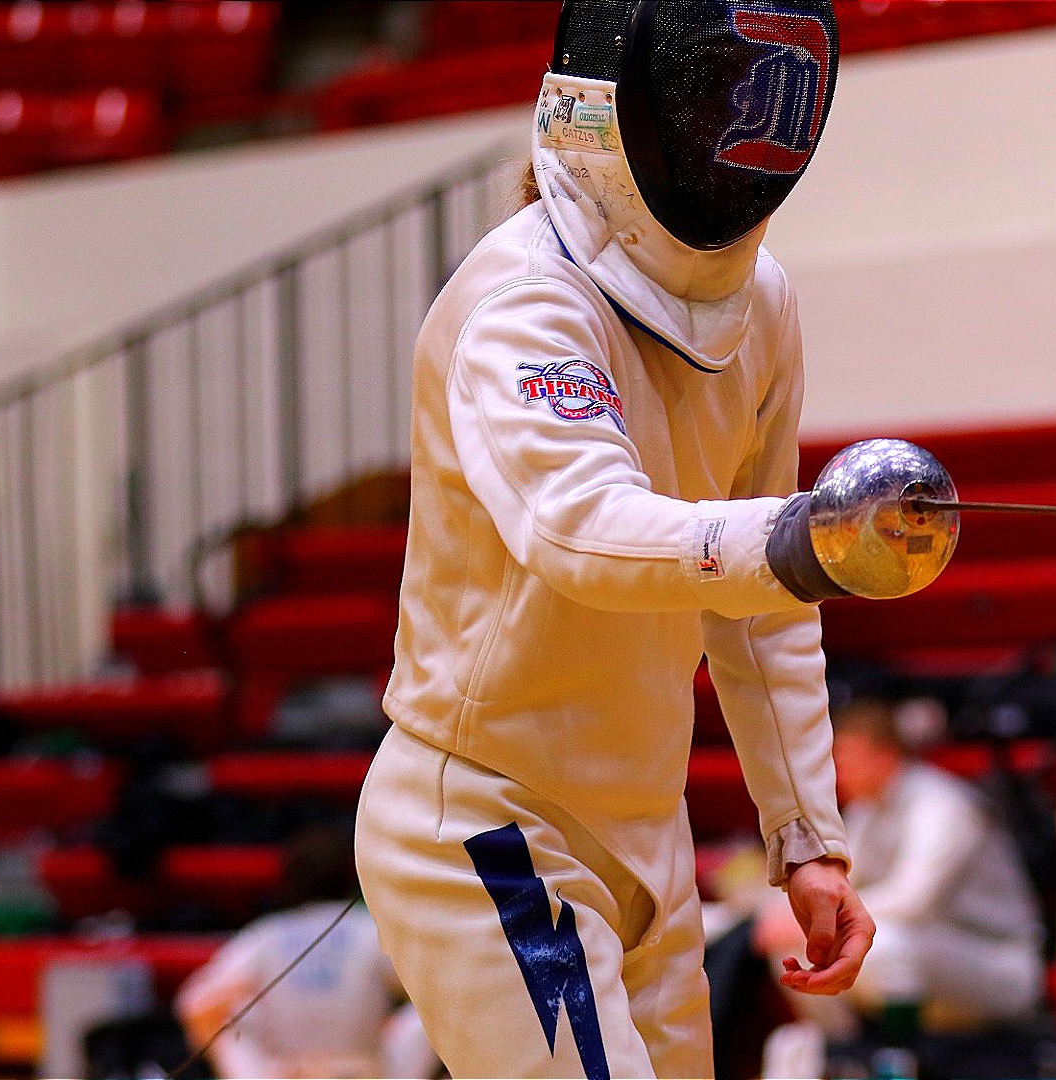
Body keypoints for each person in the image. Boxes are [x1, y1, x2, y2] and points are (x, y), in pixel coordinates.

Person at [353, 4, 911, 1076]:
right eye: (708, 92)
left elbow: (759, 605)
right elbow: (582, 529)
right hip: (488, 822)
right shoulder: (525, 302)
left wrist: (807, 840)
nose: (733, 124)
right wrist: (801, 542)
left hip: (648, 840)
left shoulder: (763, 308)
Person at [755, 697, 1045, 1042]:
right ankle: (845, 1057)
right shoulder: (867, 809)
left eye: (846, 756)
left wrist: (826, 917)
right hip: (932, 947)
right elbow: (846, 886)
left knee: (884, 946)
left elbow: (912, 901)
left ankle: (898, 1061)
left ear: (885, 754)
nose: (837, 769)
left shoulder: (941, 804)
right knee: (791, 941)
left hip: (998, 960)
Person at [175, 823, 437, 1079]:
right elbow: (437, 987)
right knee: (433, 1010)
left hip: (284, 1073)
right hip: (366, 1072)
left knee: (230, 1022)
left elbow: (196, 1004)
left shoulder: (266, 935)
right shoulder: (369, 929)